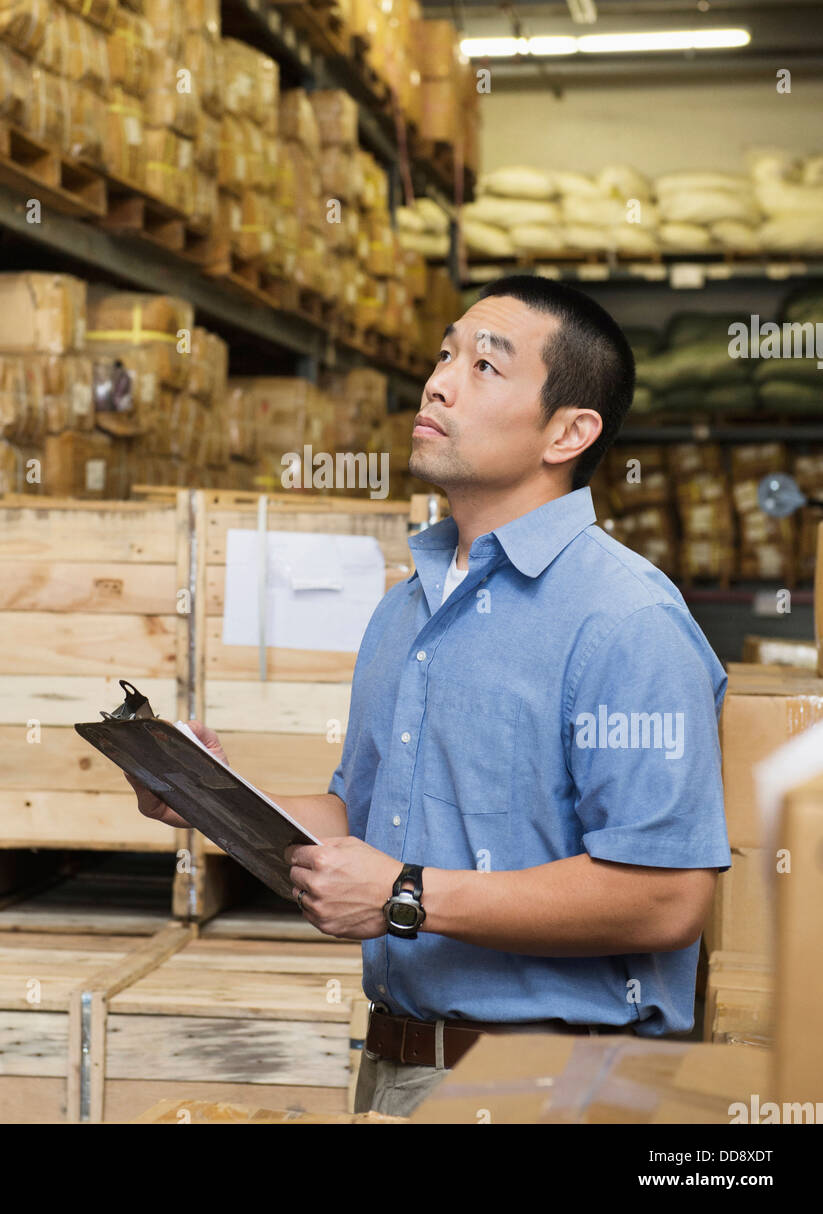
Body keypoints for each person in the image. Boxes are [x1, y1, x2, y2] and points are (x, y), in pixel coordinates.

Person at [125, 274, 732, 1119]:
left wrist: (404, 895)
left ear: (569, 430)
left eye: (485, 367)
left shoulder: (624, 617)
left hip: (555, 1087)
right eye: (443, 354)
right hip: (399, 1064)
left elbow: (667, 896)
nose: (439, 381)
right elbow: (367, 822)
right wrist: (212, 797)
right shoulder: (404, 608)